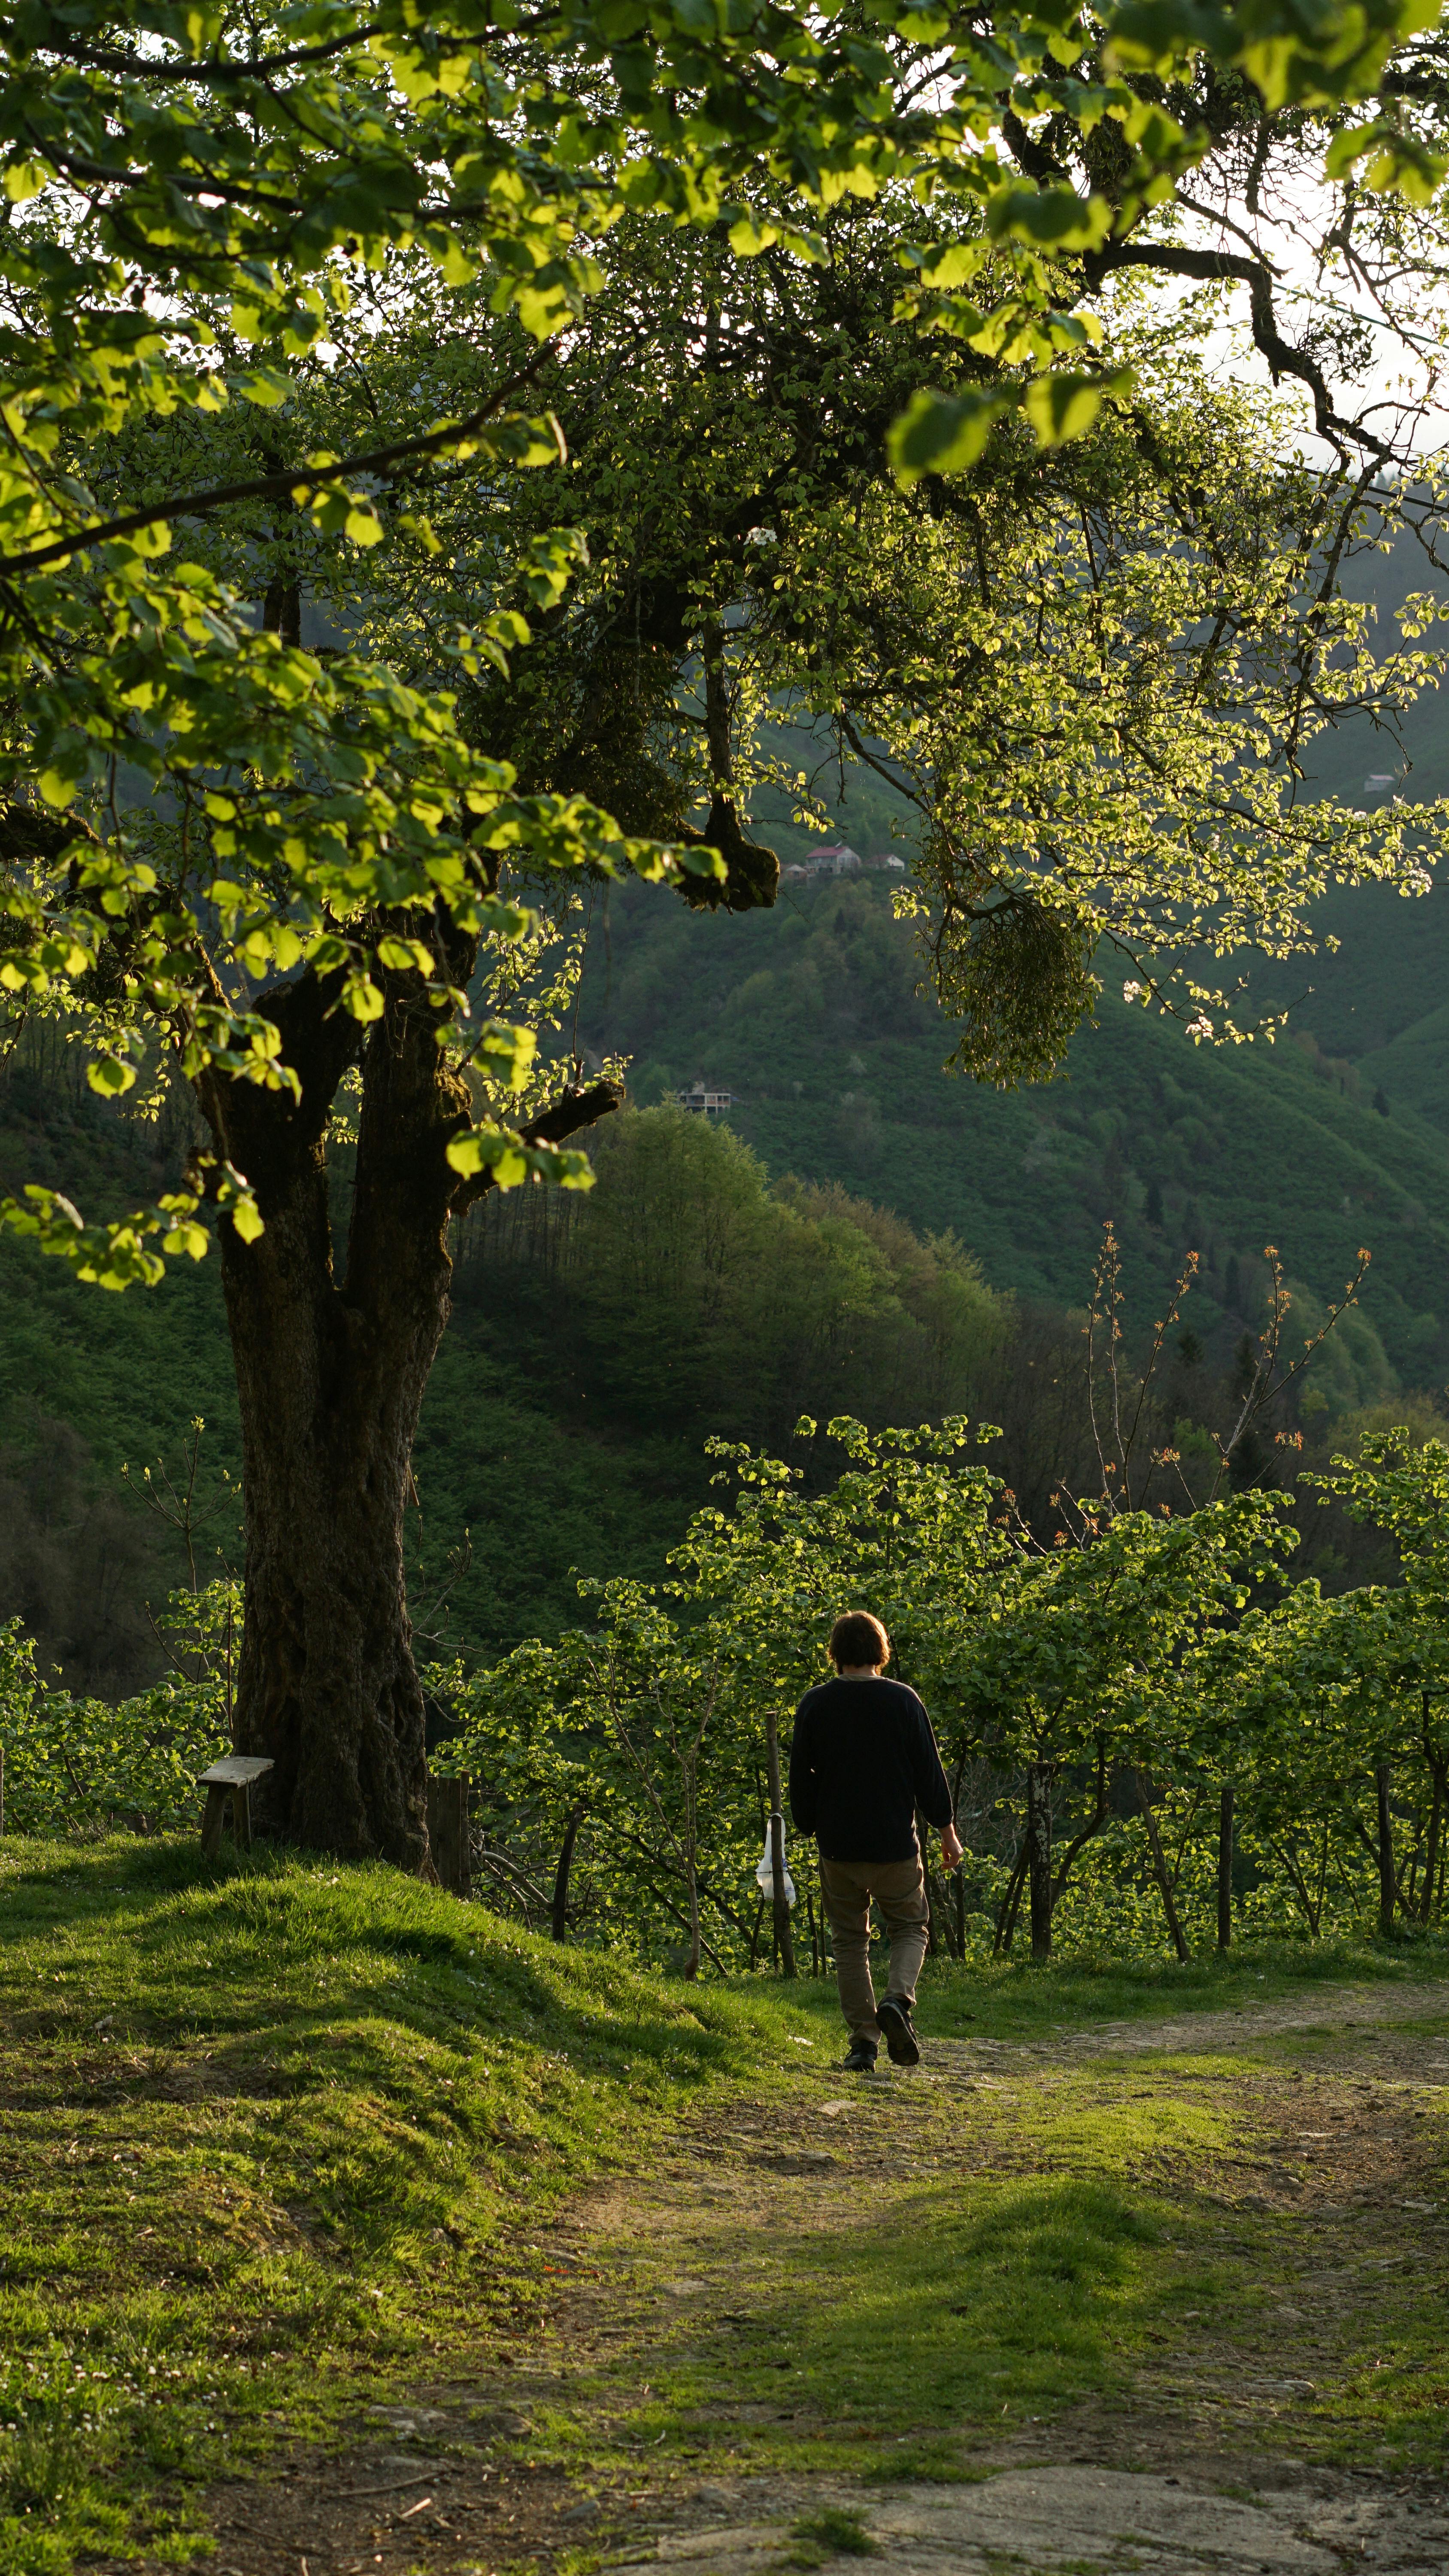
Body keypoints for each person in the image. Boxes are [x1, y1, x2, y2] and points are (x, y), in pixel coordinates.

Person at [788, 1610, 962, 2072]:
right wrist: (947, 1832)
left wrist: (807, 1824)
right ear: (880, 1651)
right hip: (894, 1845)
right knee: (909, 1928)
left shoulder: (815, 1703)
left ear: (836, 1653)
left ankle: (863, 2045)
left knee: (850, 1944)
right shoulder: (903, 1701)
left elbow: (800, 1774)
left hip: (839, 1846)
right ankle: (898, 2002)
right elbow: (929, 1774)